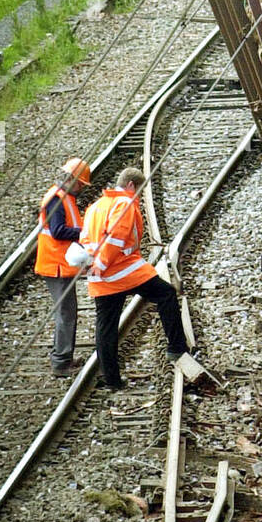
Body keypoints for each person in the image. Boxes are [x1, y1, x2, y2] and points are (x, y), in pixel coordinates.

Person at [79, 166, 188, 391]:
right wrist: (102, 264)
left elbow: (85, 240)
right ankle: (177, 348)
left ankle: (112, 380)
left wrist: (92, 267)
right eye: (140, 189)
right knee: (166, 294)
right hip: (122, 270)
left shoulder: (95, 207)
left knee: (105, 326)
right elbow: (116, 240)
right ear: (131, 185)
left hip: (100, 276)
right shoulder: (124, 203)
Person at [35, 157, 91, 378]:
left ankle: (63, 356)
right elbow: (58, 231)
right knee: (66, 314)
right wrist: (85, 234)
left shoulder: (62, 198)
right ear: (72, 179)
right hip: (55, 265)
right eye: (80, 184)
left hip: (60, 264)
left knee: (67, 312)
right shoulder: (56, 200)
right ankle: (61, 362)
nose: (81, 188)